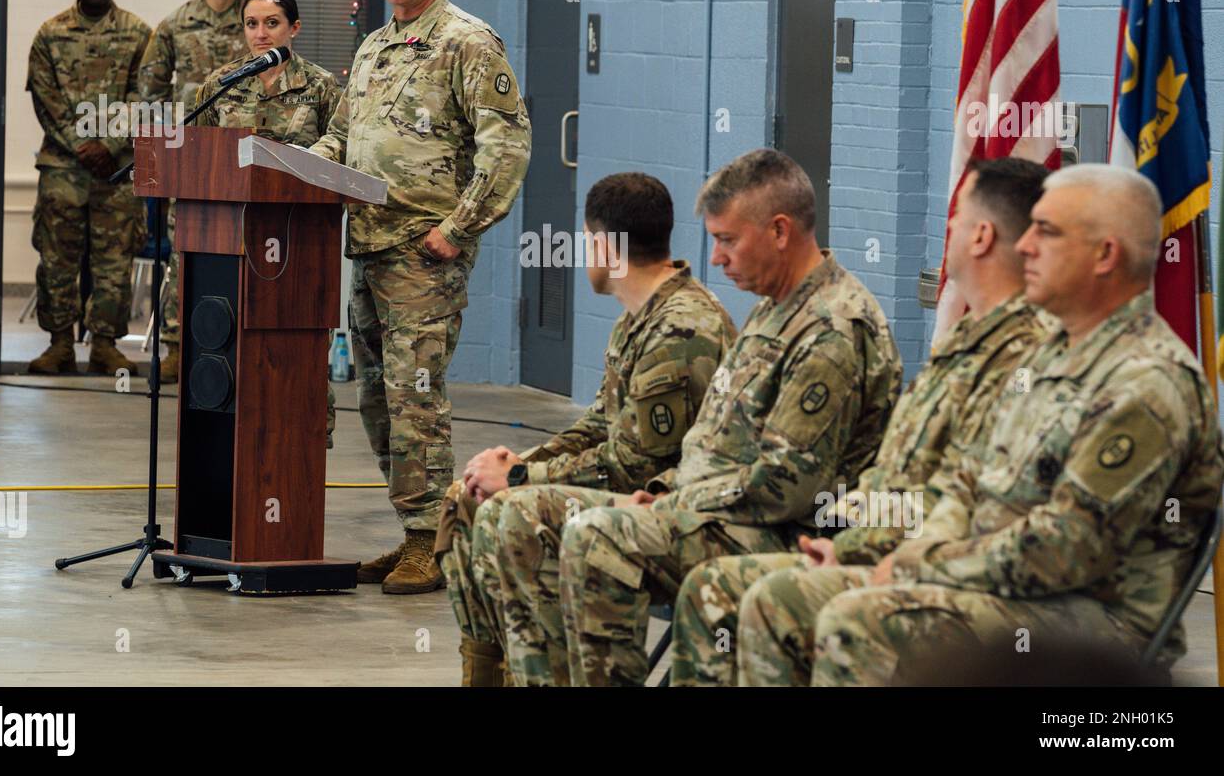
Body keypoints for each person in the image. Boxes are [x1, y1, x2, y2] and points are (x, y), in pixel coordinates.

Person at [735, 165, 1223, 686]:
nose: (1026, 245)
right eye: (1031, 226)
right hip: (992, 587)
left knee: (857, 622)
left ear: (1106, 255)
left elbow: (1063, 550)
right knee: (777, 601)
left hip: (1090, 628)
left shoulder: (1145, 383)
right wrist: (894, 553)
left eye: (1048, 231)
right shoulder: (1049, 358)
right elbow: (964, 485)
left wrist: (919, 566)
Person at [507, 148, 902, 685]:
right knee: (537, 519)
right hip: (723, 513)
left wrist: (681, 498)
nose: (715, 259)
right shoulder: (774, 308)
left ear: (780, 231)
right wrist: (668, 485)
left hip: (791, 532)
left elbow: (786, 485)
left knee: (599, 535)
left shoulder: (830, 329)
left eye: (727, 239)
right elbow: (720, 443)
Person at [670, 156, 1050, 685]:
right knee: (726, 589)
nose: (947, 232)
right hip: (878, 541)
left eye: (955, 219)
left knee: (773, 600)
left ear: (982, 236)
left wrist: (865, 552)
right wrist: (849, 543)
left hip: (963, 580)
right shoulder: (963, 344)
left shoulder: (1027, 358)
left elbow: (972, 503)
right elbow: (895, 476)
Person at [435, 172, 737, 685]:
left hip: (665, 508)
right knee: (464, 496)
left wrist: (522, 481)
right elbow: (599, 424)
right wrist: (516, 465)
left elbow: (635, 464)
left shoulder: (681, 330)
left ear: (603, 245)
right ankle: (490, 674)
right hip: (630, 490)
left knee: (511, 513)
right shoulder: (638, 316)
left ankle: (545, 674)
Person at [309, 0, 532, 594]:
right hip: (368, 248)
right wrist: (282, 171)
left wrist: (459, 228)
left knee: (416, 401)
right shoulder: (376, 47)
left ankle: (432, 543)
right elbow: (342, 140)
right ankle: (418, 530)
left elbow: (507, 144)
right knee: (378, 402)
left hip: (422, 254)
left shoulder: (468, 42)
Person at [193, 0, 342, 444]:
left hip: (300, 242)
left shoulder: (320, 87)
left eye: (272, 23)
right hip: (231, 243)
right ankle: (234, 427)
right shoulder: (221, 84)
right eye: (252, 24)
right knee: (232, 340)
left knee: (296, 341)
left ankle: (307, 435)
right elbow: (199, 160)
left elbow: (340, 161)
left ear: (294, 28)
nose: (261, 33)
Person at [26, 0, 151, 376]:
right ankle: (59, 343)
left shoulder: (138, 33)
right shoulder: (50, 33)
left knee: (114, 258)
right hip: (63, 166)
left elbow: (145, 95)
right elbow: (46, 97)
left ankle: (104, 344)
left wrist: (110, 144)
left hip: (116, 168)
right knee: (56, 258)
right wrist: (83, 145)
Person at [137, 0, 245, 384]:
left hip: (245, 160)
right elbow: (149, 92)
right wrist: (163, 155)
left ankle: (240, 347)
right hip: (194, 163)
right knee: (184, 254)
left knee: (244, 253)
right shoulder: (176, 25)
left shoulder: (256, 20)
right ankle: (178, 348)